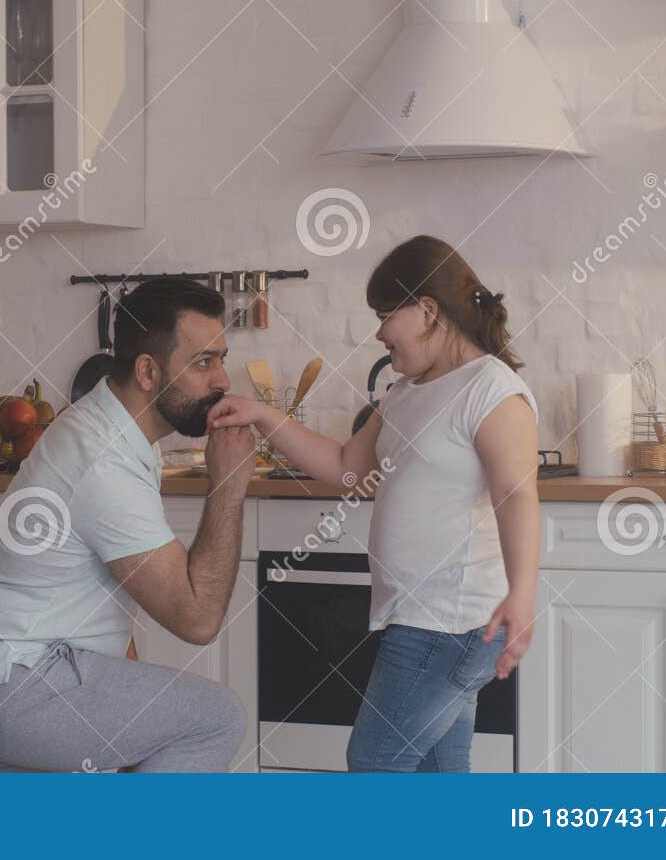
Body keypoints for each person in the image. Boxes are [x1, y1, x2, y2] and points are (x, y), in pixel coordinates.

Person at [208, 235, 540, 772]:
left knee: (374, 763)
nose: (379, 331)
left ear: (427, 311)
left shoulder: (490, 390)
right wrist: (264, 416)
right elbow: (347, 466)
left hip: (450, 621)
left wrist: (522, 596)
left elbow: (517, 494)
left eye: (387, 314)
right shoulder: (407, 390)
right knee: (438, 772)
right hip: (423, 618)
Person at [0, 278, 259, 772]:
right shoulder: (104, 461)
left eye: (221, 358)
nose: (222, 381)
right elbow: (198, 620)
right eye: (203, 363)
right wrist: (230, 485)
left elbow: (109, 601)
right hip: (21, 689)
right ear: (148, 372)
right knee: (215, 718)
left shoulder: (109, 430)